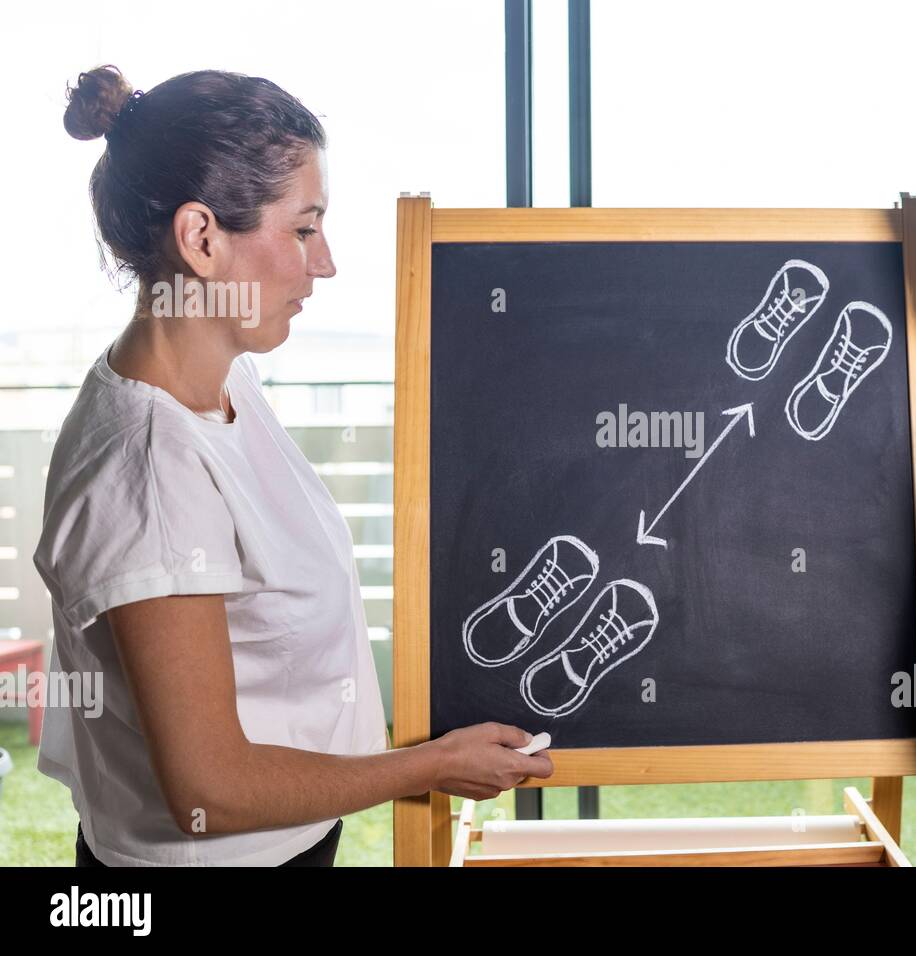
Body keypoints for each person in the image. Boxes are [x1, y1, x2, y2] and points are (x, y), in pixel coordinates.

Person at [33, 65, 552, 867]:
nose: (326, 263)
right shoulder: (151, 467)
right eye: (304, 230)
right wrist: (434, 764)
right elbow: (211, 791)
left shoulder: (224, 377)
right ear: (201, 238)